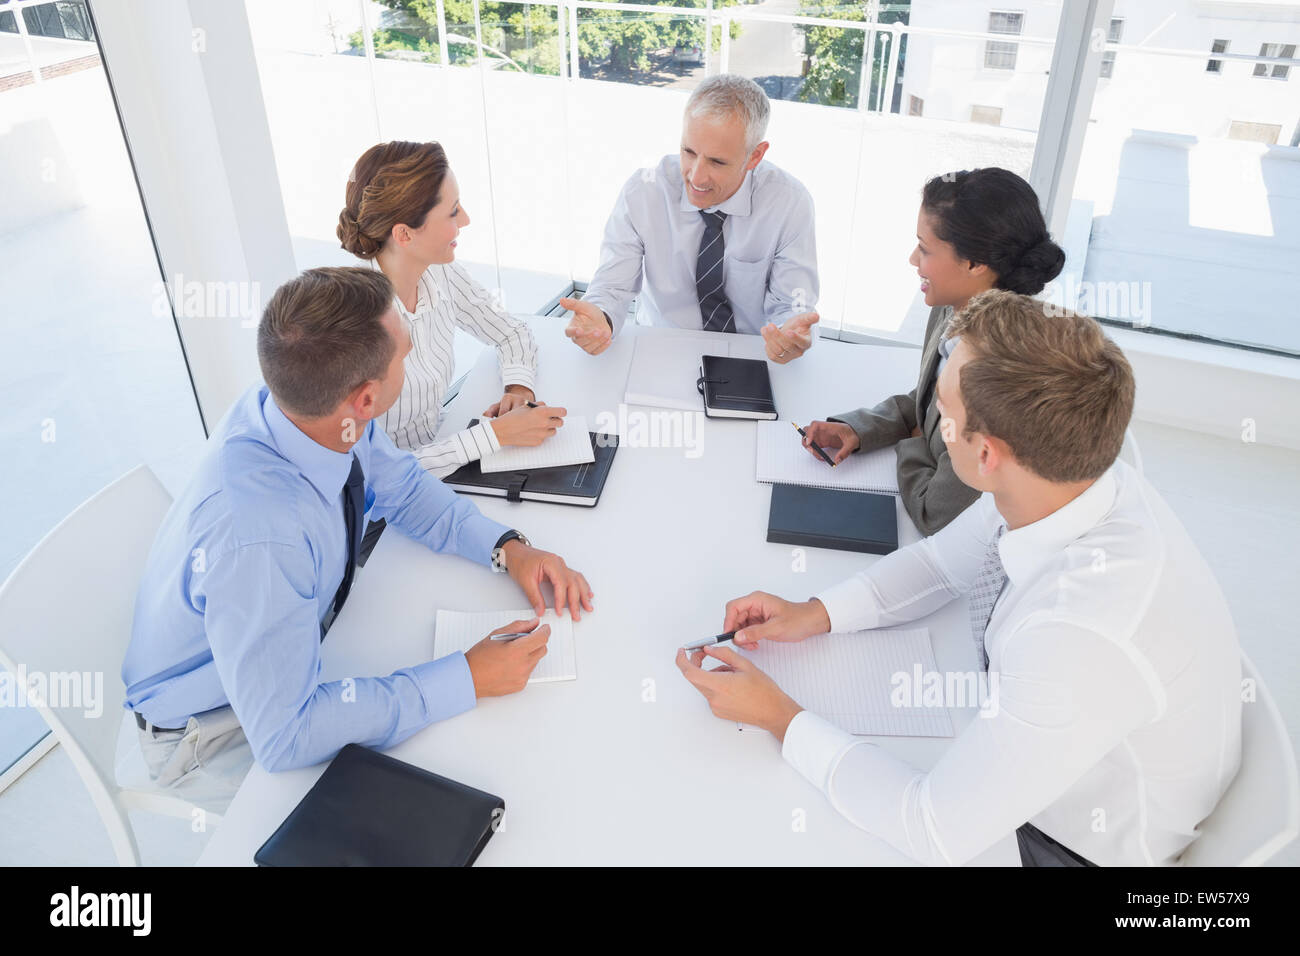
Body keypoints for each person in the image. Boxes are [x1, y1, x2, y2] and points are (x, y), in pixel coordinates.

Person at [677, 290, 1243, 867]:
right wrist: (813, 613)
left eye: (943, 414)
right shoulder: (1062, 472)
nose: (931, 426)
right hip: (1048, 750)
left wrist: (780, 717)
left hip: (1070, 845)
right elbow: (940, 565)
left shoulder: (1079, 633)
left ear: (988, 454)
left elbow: (931, 830)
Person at [122, 267, 593, 811]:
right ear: (367, 399)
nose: (413, 358)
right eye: (405, 354)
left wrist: (509, 547)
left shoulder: (310, 409)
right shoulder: (260, 542)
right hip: (213, 733)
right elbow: (286, 735)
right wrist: (465, 677)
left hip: (292, 646)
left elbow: (405, 490)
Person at [799, 168, 1065, 535]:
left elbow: (933, 514)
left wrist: (912, 441)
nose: (912, 259)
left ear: (974, 263)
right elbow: (927, 404)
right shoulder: (952, 305)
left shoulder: (998, 378)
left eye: (924, 249)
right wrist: (859, 429)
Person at [339, 140, 564, 479]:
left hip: (445, 457)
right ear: (403, 234)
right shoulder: (352, 327)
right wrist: (495, 435)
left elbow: (510, 331)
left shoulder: (437, 270)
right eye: (453, 211)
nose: (467, 219)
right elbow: (373, 475)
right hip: (386, 510)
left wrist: (518, 389)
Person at [562, 73, 820, 363]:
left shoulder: (789, 202)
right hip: (663, 348)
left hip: (753, 355)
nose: (696, 176)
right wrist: (600, 318)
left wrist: (790, 334)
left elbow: (792, 303)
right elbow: (612, 286)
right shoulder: (644, 191)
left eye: (717, 162)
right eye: (689, 151)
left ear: (755, 156)